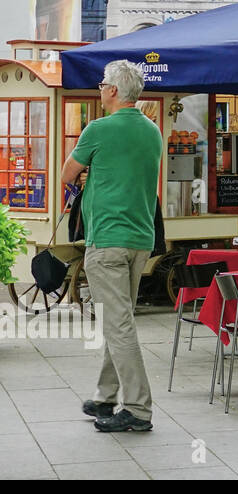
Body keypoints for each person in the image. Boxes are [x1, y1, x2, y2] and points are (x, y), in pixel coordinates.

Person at [62, 60, 164, 432]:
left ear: (114, 91)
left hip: (107, 238)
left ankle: (137, 409)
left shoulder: (98, 129)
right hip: (140, 239)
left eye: (103, 84)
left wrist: (89, 172)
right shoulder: (153, 131)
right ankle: (106, 396)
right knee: (117, 320)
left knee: (118, 325)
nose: (100, 88)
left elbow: (65, 174)